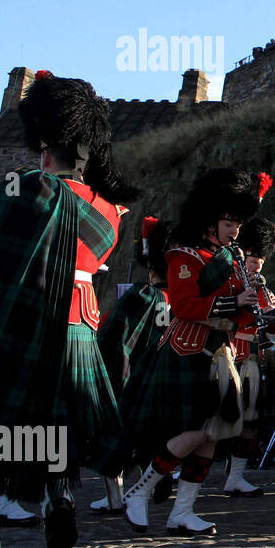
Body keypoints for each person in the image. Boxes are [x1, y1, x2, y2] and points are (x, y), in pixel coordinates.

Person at [0, 72, 138, 548]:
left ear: (43, 141)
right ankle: (57, 498)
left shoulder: (24, 191)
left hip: (22, 323)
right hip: (78, 331)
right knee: (54, 424)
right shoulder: (108, 211)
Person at [120, 169, 268, 535]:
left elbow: (237, 307)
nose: (236, 231)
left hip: (222, 351)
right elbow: (185, 306)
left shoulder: (230, 255)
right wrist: (234, 300)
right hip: (189, 351)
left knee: (214, 434)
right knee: (194, 432)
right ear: (210, 218)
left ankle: (182, 512)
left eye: (238, 222)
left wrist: (253, 307)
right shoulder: (182, 255)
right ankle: (139, 492)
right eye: (230, 222)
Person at [92, 216, 173, 513]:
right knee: (154, 437)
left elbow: (113, 339)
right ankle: (151, 483)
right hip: (167, 383)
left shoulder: (141, 296)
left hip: (133, 382)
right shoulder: (186, 299)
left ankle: (115, 498)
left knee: (116, 435)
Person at [222, 213, 275, 497]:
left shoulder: (266, 292)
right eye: (251, 256)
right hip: (228, 355)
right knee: (215, 416)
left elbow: (272, 335)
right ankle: (181, 472)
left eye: (260, 257)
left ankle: (236, 476)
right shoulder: (231, 283)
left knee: (249, 420)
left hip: (254, 361)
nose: (256, 261)